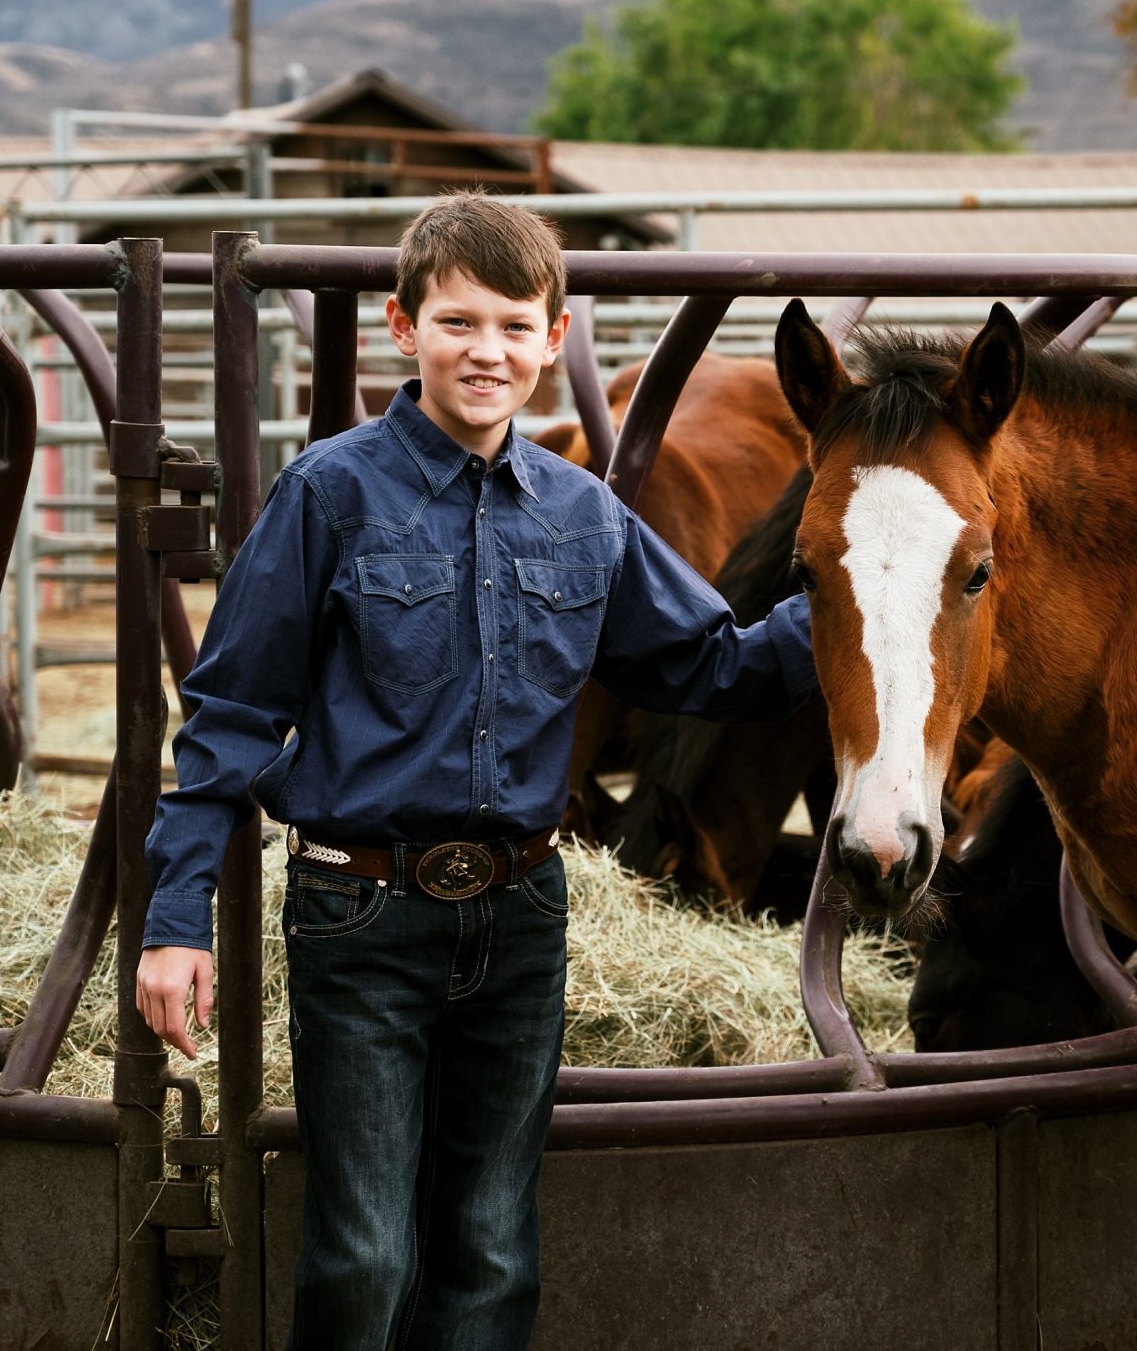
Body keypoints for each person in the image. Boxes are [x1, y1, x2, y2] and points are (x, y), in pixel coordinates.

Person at [134, 193, 815, 1350]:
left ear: (554, 339)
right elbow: (230, 715)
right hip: (363, 912)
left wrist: (866, 595)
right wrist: (175, 916)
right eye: (458, 323)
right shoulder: (330, 496)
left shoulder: (584, 518)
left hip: (522, 910)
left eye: (512, 326)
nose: (485, 352)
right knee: (363, 1252)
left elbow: (711, 666)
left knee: (494, 1250)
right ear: (405, 327)